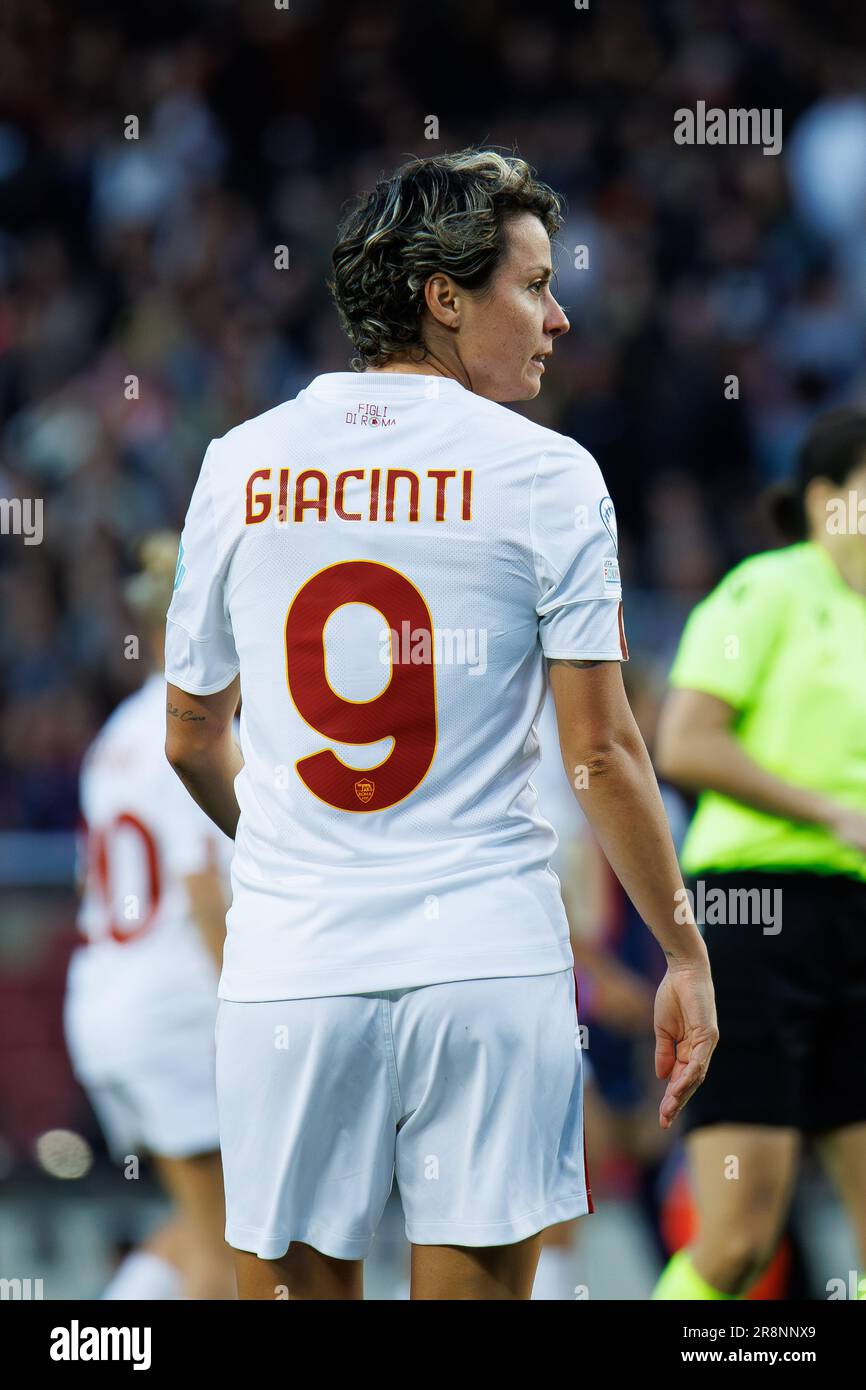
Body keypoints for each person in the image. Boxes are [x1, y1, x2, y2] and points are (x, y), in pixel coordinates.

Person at [163, 148, 717, 1302]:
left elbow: (188, 733)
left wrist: (279, 848)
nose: (559, 317)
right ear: (444, 297)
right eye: (531, 287)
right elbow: (601, 750)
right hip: (484, 959)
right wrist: (679, 951)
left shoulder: (238, 462)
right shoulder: (549, 474)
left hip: (293, 966)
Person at [652, 408, 866, 1301]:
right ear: (827, 499)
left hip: (858, 924)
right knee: (740, 1239)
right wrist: (832, 813)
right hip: (757, 915)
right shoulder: (769, 590)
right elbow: (685, 742)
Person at [64, 533, 236, 1300]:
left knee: (201, 1220)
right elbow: (202, 887)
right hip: (179, 1010)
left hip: (105, 1002)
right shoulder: (192, 730)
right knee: (233, 1243)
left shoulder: (115, 737)